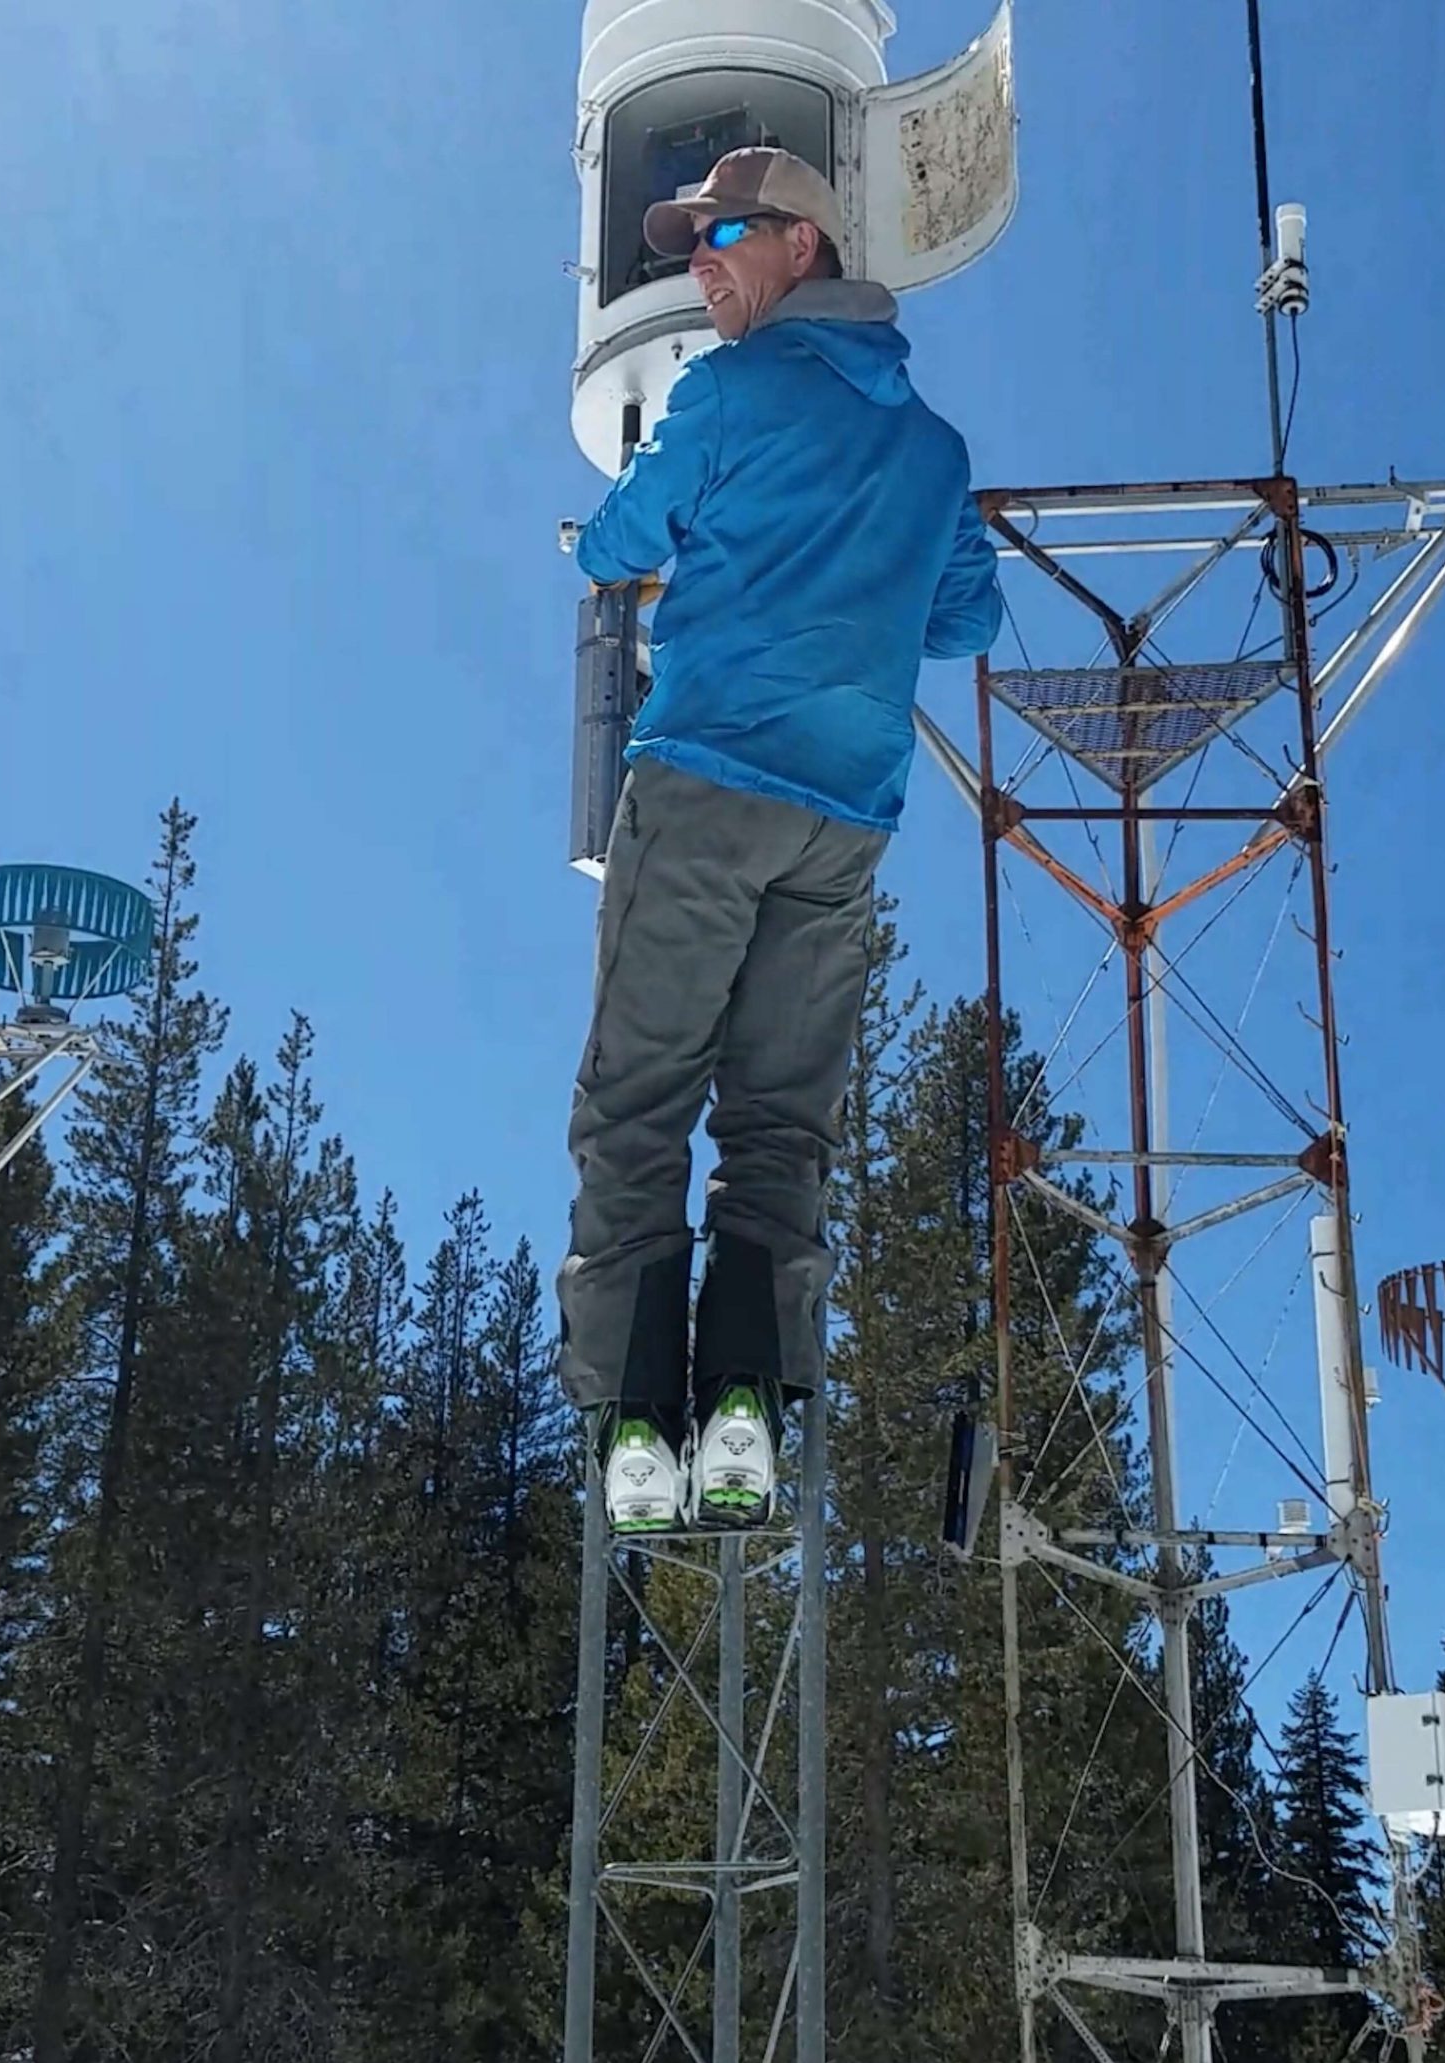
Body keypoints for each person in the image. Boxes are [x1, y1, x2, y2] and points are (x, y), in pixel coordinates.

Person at [559, 145, 1004, 1534]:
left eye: (722, 235)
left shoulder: (725, 390)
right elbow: (969, 621)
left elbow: (616, 540)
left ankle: (638, 1418)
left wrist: (655, 524)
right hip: (841, 823)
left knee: (639, 1099)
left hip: (702, 785)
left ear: (803, 245)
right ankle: (743, 1410)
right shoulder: (934, 450)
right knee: (780, 1125)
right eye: (689, 242)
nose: (698, 261)